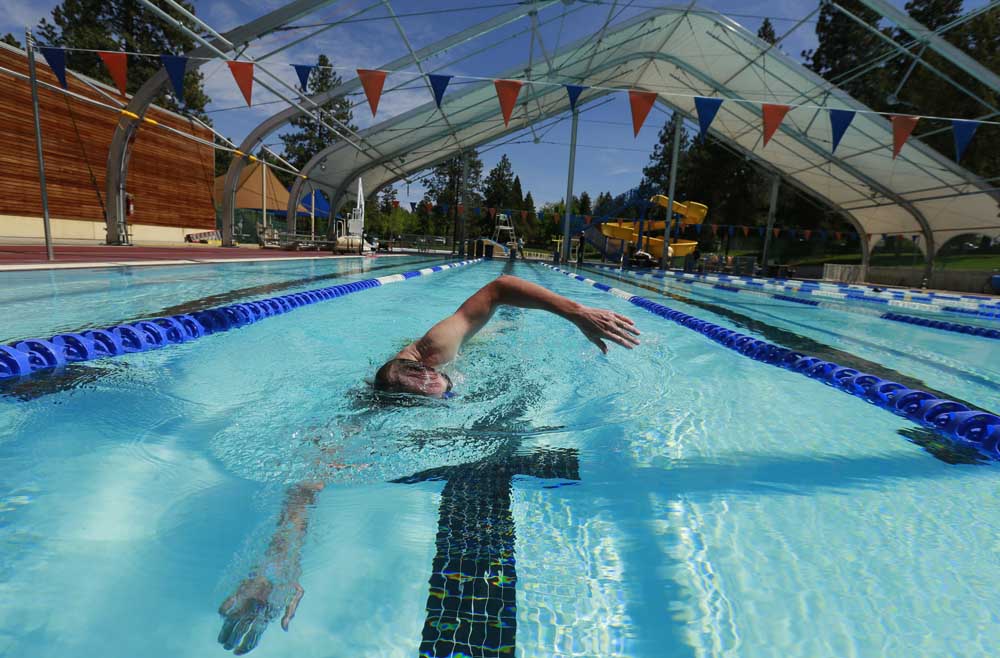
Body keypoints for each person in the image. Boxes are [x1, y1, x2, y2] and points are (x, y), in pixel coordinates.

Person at [372, 274, 640, 398]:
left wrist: (576, 313)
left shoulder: (437, 347)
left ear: (429, 367)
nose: (451, 390)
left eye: (447, 385)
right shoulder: (386, 392)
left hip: (452, 342)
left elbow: (499, 288)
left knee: (492, 332)